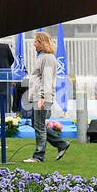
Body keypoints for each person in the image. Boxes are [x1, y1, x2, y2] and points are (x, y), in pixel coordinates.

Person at [24, 31, 70, 163]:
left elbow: (47, 79)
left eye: (36, 42)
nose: (34, 44)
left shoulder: (48, 58)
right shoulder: (42, 57)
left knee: (39, 126)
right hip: (39, 96)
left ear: (42, 43)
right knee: (37, 123)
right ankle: (61, 144)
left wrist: (42, 97)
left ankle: (39, 156)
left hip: (42, 97)